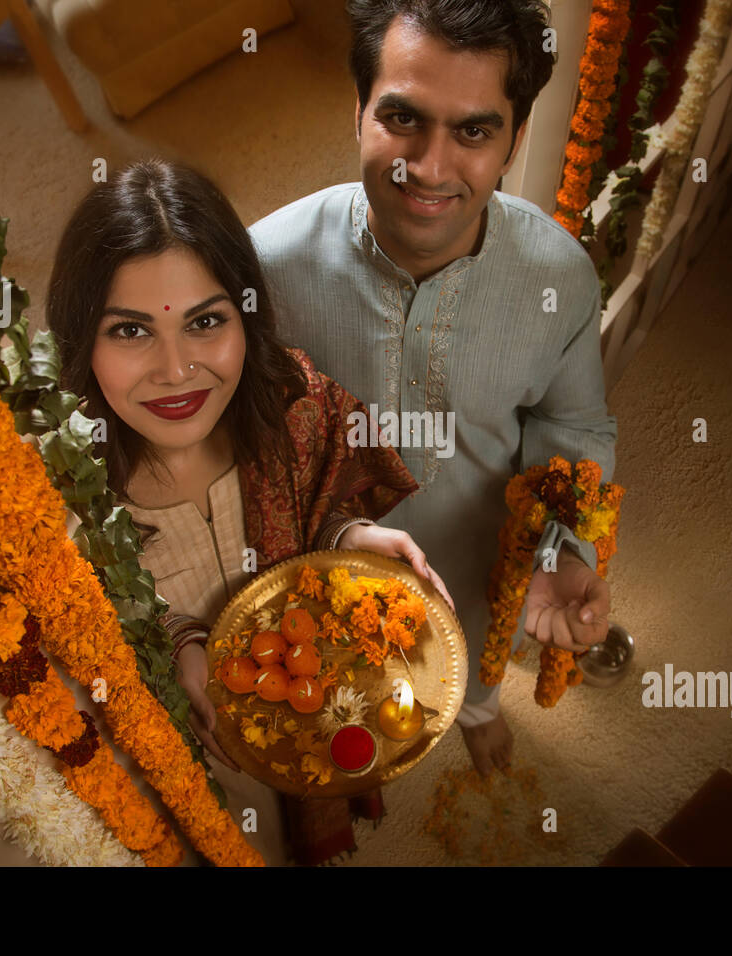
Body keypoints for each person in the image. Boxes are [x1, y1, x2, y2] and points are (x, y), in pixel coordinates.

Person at [46, 159, 452, 865]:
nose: (175, 371)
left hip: (305, 696)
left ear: (245, 313)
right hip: (198, 761)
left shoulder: (290, 404)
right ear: (83, 338)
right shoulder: (66, 490)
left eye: (205, 322)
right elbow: (92, 623)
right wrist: (180, 648)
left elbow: (321, 506)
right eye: (131, 332)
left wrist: (350, 538)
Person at [250, 0, 619, 776]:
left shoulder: (559, 277)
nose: (428, 167)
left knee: (477, 670)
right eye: (403, 118)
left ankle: (478, 711)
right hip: (324, 570)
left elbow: (575, 427)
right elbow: (237, 440)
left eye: (475, 131)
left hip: (478, 565)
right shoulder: (264, 269)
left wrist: (563, 545)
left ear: (516, 139)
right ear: (358, 113)